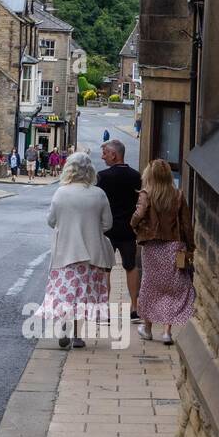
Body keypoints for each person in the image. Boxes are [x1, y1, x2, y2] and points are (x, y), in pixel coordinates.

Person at [38, 152, 115, 349]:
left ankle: (64, 326)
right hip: (91, 253)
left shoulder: (61, 192)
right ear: (90, 170)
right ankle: (77, 335)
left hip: (65, 251)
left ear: (69, 169)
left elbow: (51, 221)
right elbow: (107, 224)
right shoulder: (99, 194)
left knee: (66, 292)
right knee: (83, 295)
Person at [131, 158, 196, 345]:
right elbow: (186, 225)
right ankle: (167, 332)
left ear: (149, 176)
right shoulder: (178, 195)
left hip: (152, 247)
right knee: (173, 289)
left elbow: (138, 215)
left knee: (150, 287)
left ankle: (147, 327)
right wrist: (190, 247)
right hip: (174, 247)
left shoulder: (146, 194)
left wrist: (135, 226)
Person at [97, 138, 143, 322]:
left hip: (107, 230)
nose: (103, 157)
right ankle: (135, 308)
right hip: (128, 229)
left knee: (106, 270)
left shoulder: (103, 176)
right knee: (131, 267)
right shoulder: (136, 176)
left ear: (114, 155)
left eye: (105, 153)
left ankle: (105, 309)